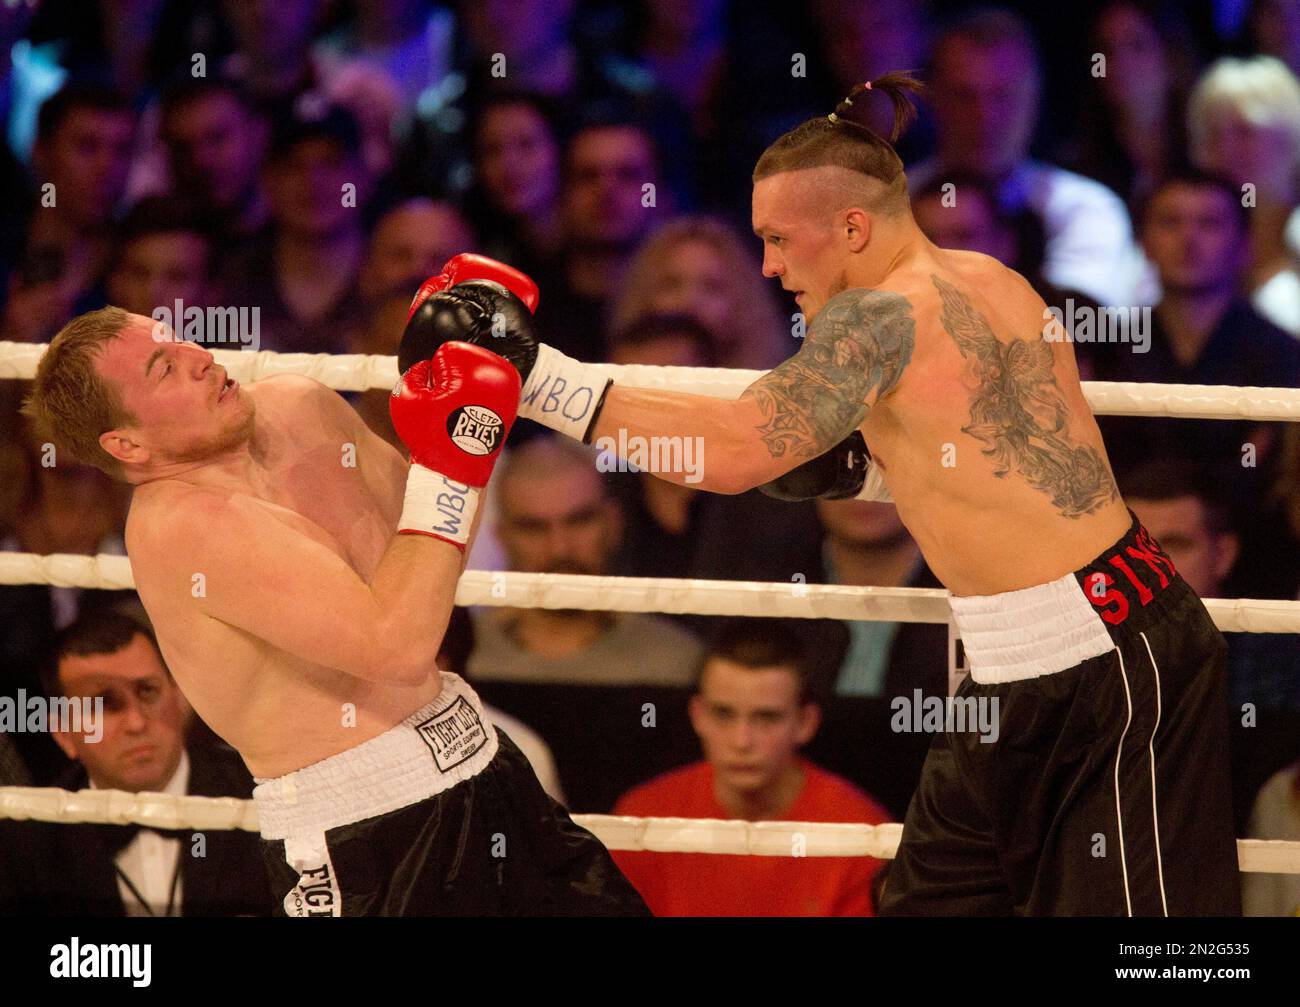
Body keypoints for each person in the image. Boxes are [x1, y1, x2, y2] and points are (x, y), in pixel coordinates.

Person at [405, 75, 1241, 916]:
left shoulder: (873, 318)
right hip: (1023, 662)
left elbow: (732, 451)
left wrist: (535, 376)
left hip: (1107, 659)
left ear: (851, 225)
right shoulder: (990, 278)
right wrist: (862, 468)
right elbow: (1005, 459)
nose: (767, 264)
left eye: (776, 237)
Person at [22, 289, 648, 917]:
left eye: (174, 339)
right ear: (127, 446)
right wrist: (464, 441)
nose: (197, 356)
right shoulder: (181, 527)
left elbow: (431, 552)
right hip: (374, 841)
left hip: (482, 762)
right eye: (163, 369)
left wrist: (467, 407)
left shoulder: (297, 406)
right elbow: (399, 646)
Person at [611, 619, 890, 916]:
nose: (742, 741)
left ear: (805, 723)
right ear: (698, 716)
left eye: (766, 717)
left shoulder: (862, 834)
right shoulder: (641, 819)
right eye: (723, 714)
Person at [0, 608, 269, 916]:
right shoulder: (28, 842)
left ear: (180, 697)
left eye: (148, 691)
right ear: (64, 734)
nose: (136, 722)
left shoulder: (259, 799)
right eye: (104, 704)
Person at [468, 434, 703, 688]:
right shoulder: (457, 663)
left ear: (613, 524)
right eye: (533, 528)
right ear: (503, 537)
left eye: (579, 521)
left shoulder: (674, 662)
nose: (560, 549)